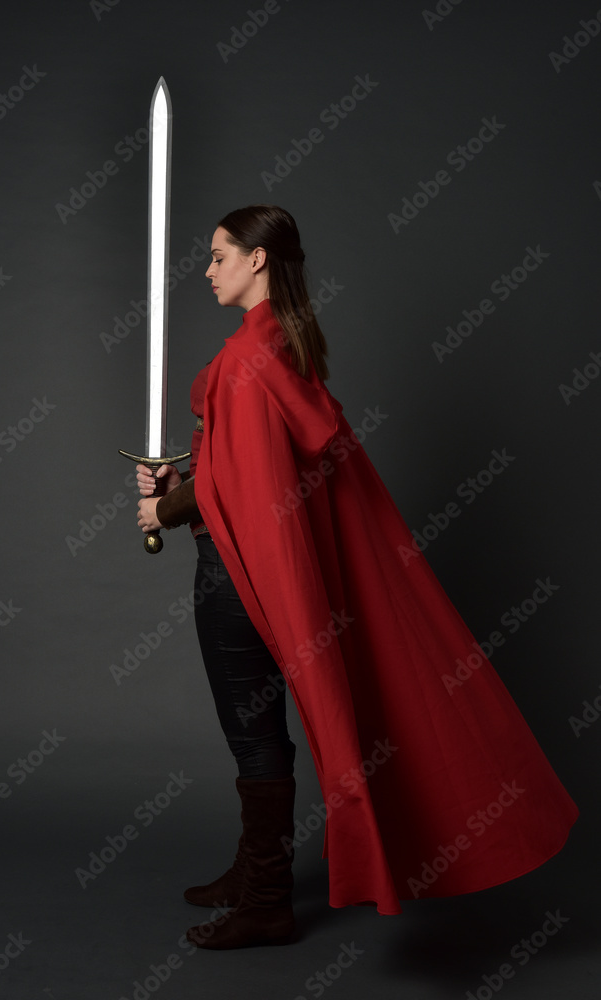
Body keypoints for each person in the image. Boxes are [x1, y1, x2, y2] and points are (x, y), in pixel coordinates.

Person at [134, 204, 578, 951]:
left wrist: (163, 510)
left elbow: (239, 492)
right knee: (260, 728)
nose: (206, 271)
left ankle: (268, 899)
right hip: (256, 568)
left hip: (236, 576)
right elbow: (247, 465)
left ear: (258, 262)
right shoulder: (279, 342)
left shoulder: (247, 361)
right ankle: (255, 870)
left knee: (251, 732)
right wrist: (189, 474)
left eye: (217, 256)